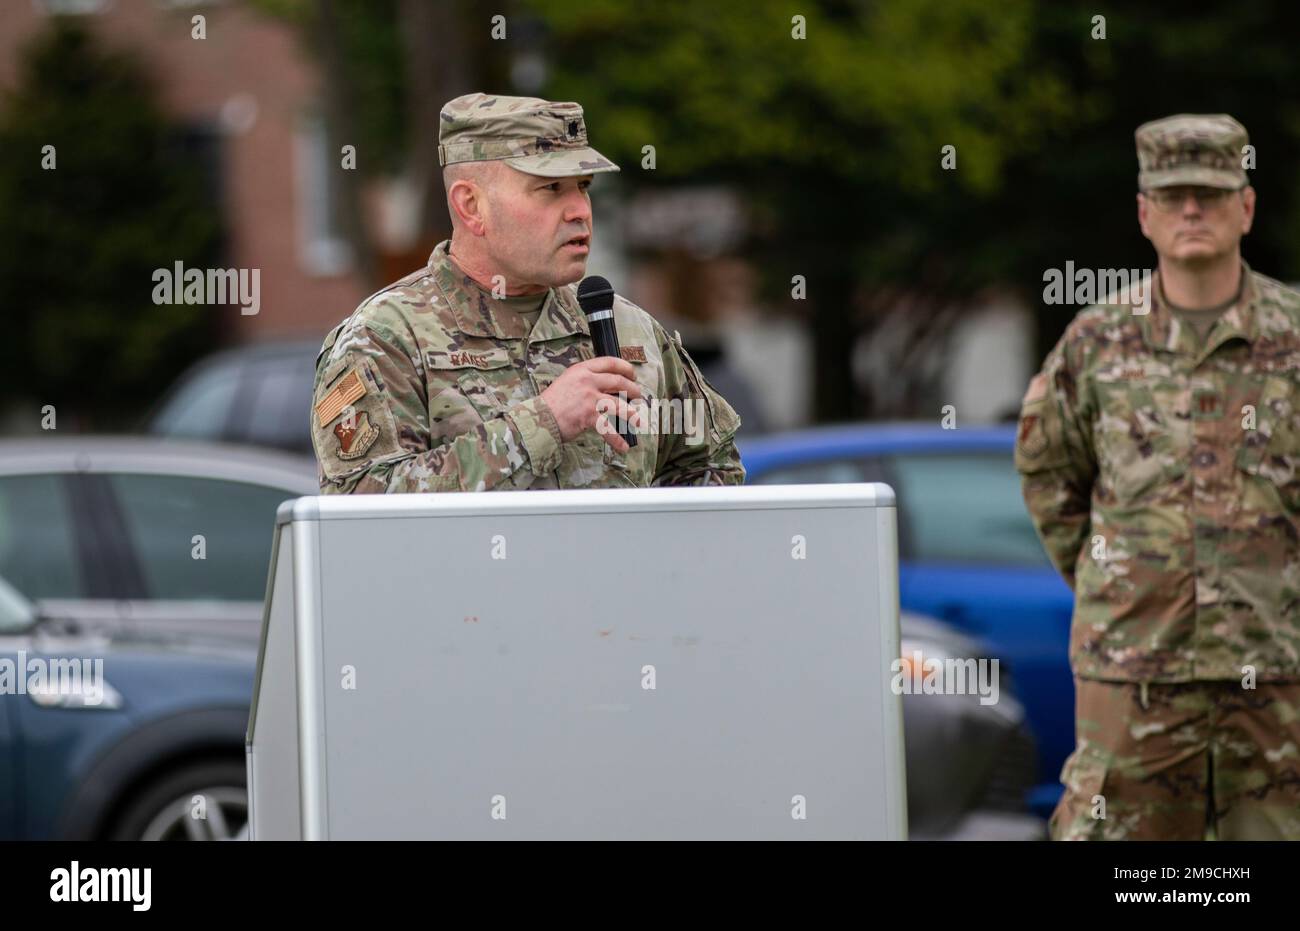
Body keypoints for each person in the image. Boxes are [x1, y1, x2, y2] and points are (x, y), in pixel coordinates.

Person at [1015, 114, 1300, 840]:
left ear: (1247, 206)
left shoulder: (1294, 338)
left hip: (1277, 676)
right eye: (1173, 197)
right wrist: (1118, 579)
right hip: (1135, 677)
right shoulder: (1097, 343)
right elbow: (1050, 474)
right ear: (1145, 214)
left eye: (1210, 193)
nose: (1193, 211)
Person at [310, 93, 744, 493]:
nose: (579, 211)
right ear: (471, 206)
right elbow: (358, 508)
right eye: (551, 188)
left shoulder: (631, 330)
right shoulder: (387, 338)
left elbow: (711, 468)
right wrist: (543, 423)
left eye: (583, 187)